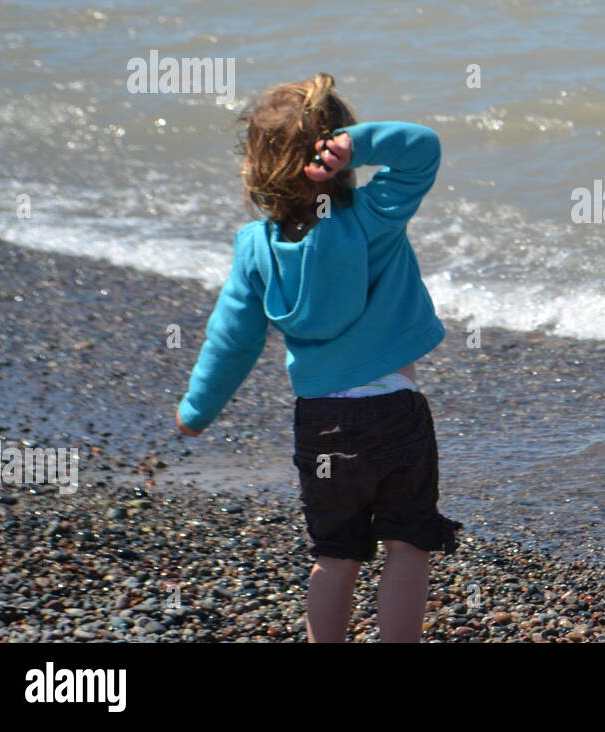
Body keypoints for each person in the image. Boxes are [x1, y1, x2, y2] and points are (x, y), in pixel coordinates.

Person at [175, 72, 460, 642]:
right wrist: (363, 142)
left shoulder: (256, 248)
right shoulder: (374, 217)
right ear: (336, 152)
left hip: (321, 424)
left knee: (335, 553)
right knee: (408, 544)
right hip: (394, 413)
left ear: (256, 166)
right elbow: (423, 148)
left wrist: (197, 409)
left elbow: (233, 338)